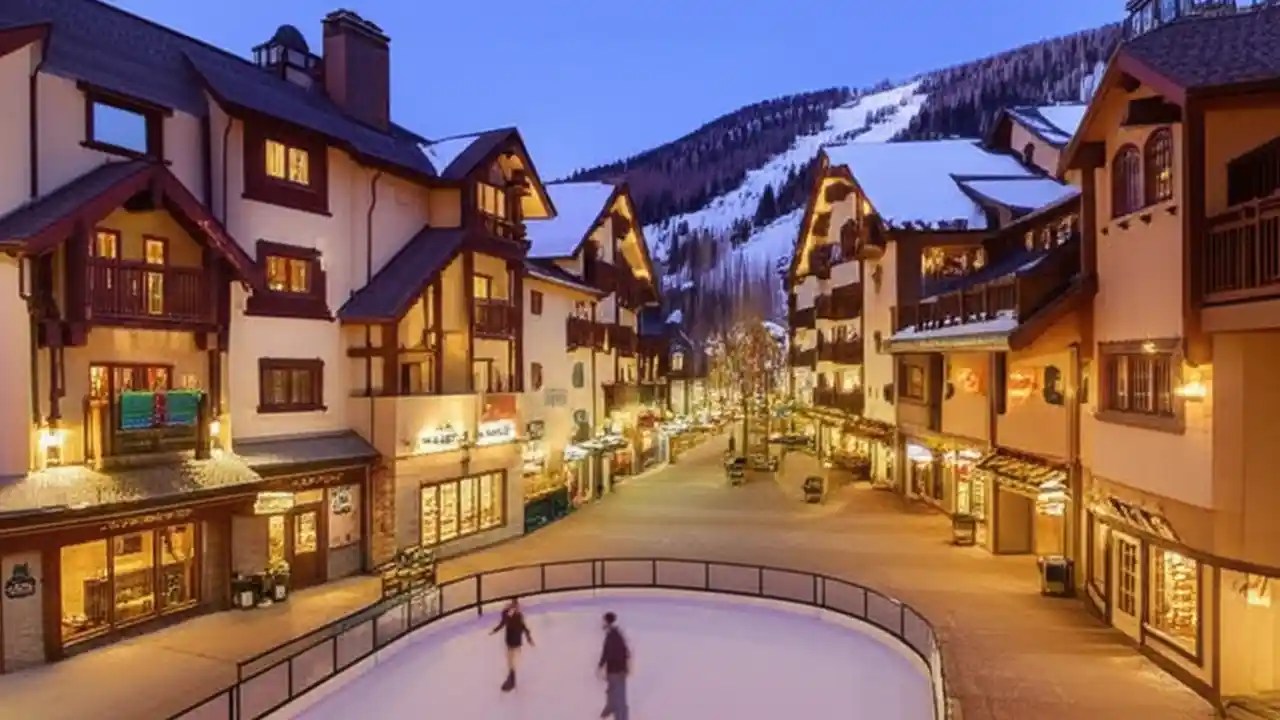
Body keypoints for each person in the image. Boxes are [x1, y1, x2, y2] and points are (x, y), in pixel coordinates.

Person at [490, 598, 534, 691]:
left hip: (515, 642)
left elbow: (523, 627)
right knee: (511, 660)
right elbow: (505, 622)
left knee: (512, 660)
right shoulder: (511, 615)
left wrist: (529, 638)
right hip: (511, 641)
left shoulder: (517, 616)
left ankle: (512, 678)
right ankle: (512, 677)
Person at [597, 611, 630, 719]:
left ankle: (619, 715)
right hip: (617, 670)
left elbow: (608, 653)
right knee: (613, 692)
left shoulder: (613, 635)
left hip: (616, 670)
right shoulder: (614, 634)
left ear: (607, 622)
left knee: (618, 697)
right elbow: (624, 652)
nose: (601, 624)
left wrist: (601, 665)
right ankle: (610, 708)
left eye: (603, 621)